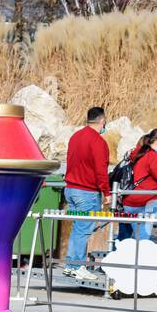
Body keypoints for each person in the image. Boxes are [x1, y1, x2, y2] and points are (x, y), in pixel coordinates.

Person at [62, 107, 111, 280]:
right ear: (102, 121)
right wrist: (106, 192)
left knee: (77, 228)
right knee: (83, 230)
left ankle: (70, 264)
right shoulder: (97, 141)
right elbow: (101, 170)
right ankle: (77, 265)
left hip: (71, 189)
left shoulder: (75, 136)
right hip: (86, 192)